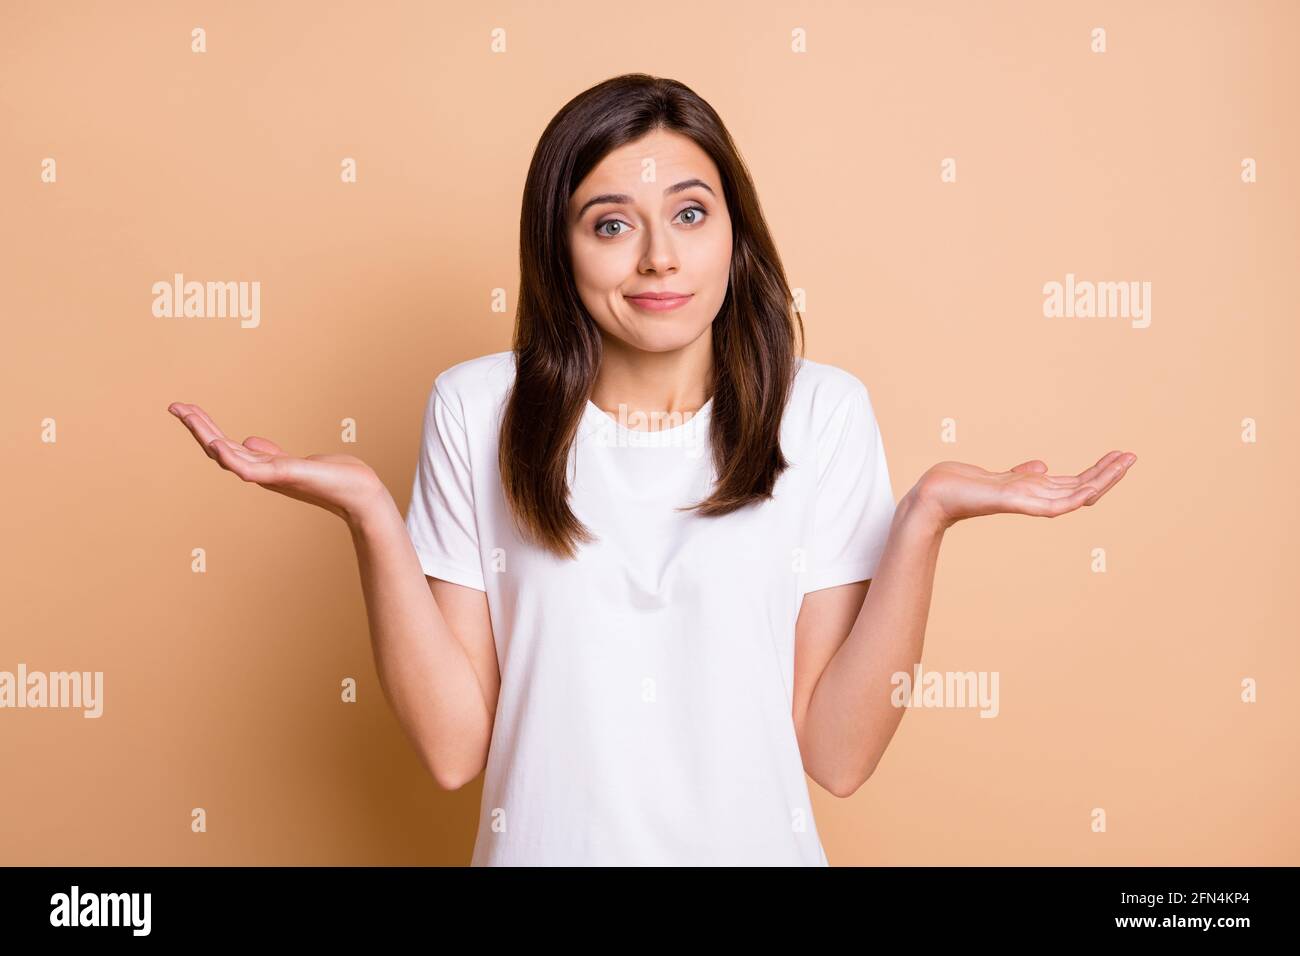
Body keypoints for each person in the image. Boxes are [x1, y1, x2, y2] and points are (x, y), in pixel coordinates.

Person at [167, 74, 1136, 866]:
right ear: (561, 248)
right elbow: (454, 747)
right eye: (612, 223)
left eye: (689, 212)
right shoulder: (475, 408)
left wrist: (924, 517)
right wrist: (373, 516)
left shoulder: (824, 412)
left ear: (735, 233)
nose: (660, 258)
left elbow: (837, 755)